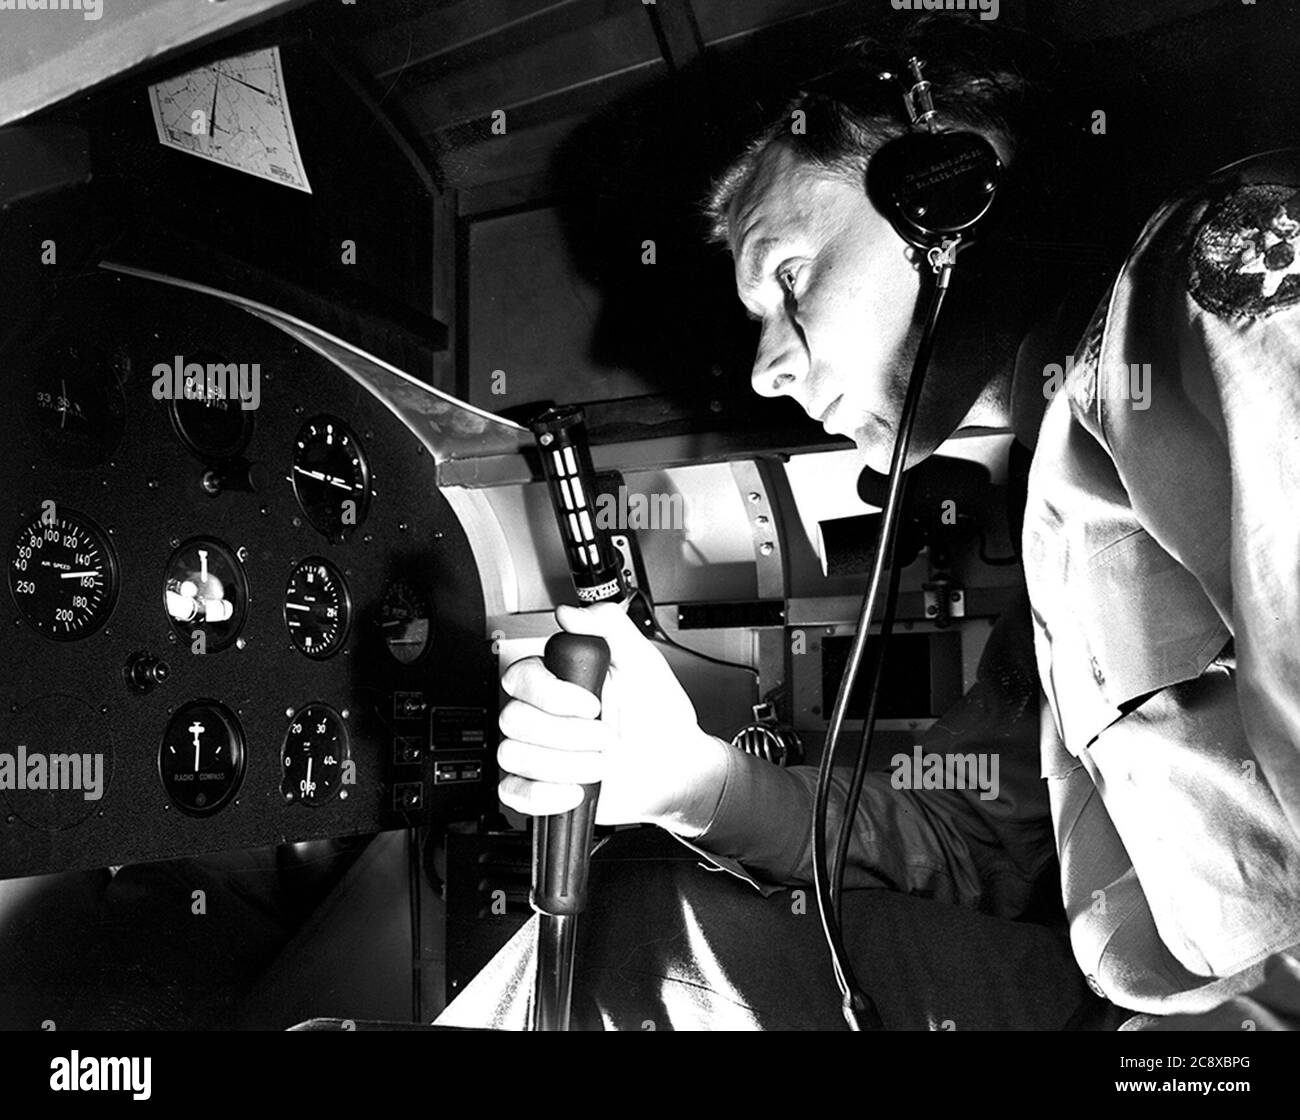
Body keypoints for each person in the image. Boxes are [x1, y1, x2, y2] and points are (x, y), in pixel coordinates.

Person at [437, 17, 1300, 1031]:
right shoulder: (1051, 502)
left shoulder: (1219, 277)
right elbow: (973, 838)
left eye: (787, 276)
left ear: (947, 192)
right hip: (1133, 1004)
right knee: (641, 930)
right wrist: (688, 779)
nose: (764, 367)